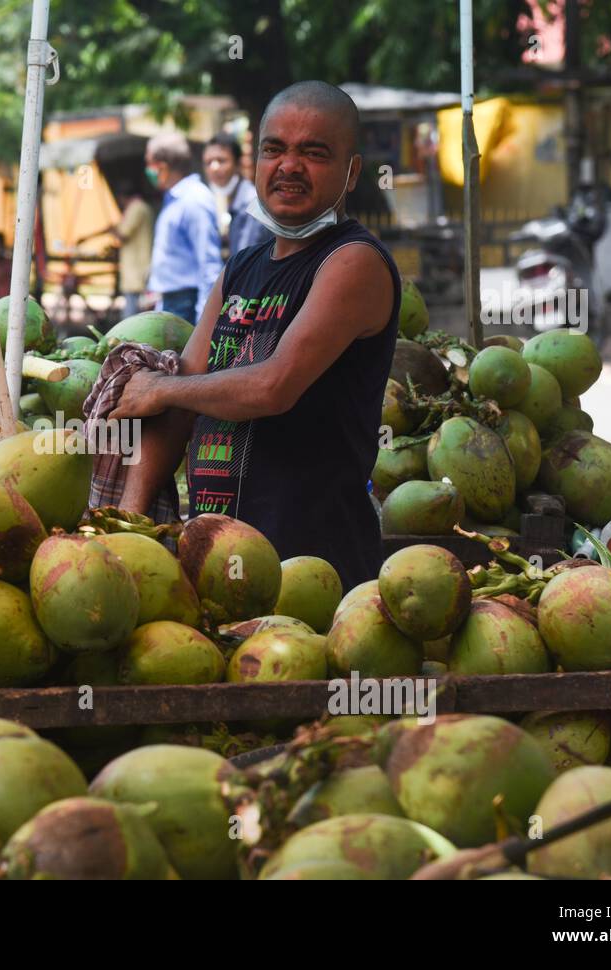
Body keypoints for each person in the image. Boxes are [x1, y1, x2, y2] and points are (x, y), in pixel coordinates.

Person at [109, 81, 401, 591]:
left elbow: (273, 386)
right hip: (214, 560)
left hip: (311, 570)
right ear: (256, 160)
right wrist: (129, 529)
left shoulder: (353, 262)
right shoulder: (241, 268)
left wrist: (158, 386)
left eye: (314, 152)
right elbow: (179, 405)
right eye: (275, 149)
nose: (289, 166)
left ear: (352, 172)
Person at [143, 133, 223, 324]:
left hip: (188, 302)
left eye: (149, 164)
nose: (148, 171)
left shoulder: (194, 199)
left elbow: (209, 264)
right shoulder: (175, 198)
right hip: (172, 301)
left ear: (162, 167)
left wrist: (204, 320)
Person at [203, 132, 271, 257]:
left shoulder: (250, 205)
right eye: (208, 162)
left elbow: (243, 263)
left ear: (238, 164)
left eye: (221, 160)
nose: (214, 167)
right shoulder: (230, 200)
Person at [110, 184, 154, 318]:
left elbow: (123, 233)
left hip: (135, 265)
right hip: (142, 263)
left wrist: (112, 230)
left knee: (131, 311)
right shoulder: (144, 207)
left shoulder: (136, 208)